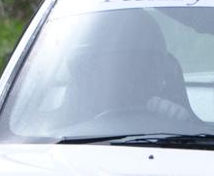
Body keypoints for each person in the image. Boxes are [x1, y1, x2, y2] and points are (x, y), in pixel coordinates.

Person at [62, 9, 195, 126]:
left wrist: (177, 126)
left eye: (146, 66)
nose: (133, 79)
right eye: (123, 66)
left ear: (164, 72)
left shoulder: (171, 118)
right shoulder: (61, 129)